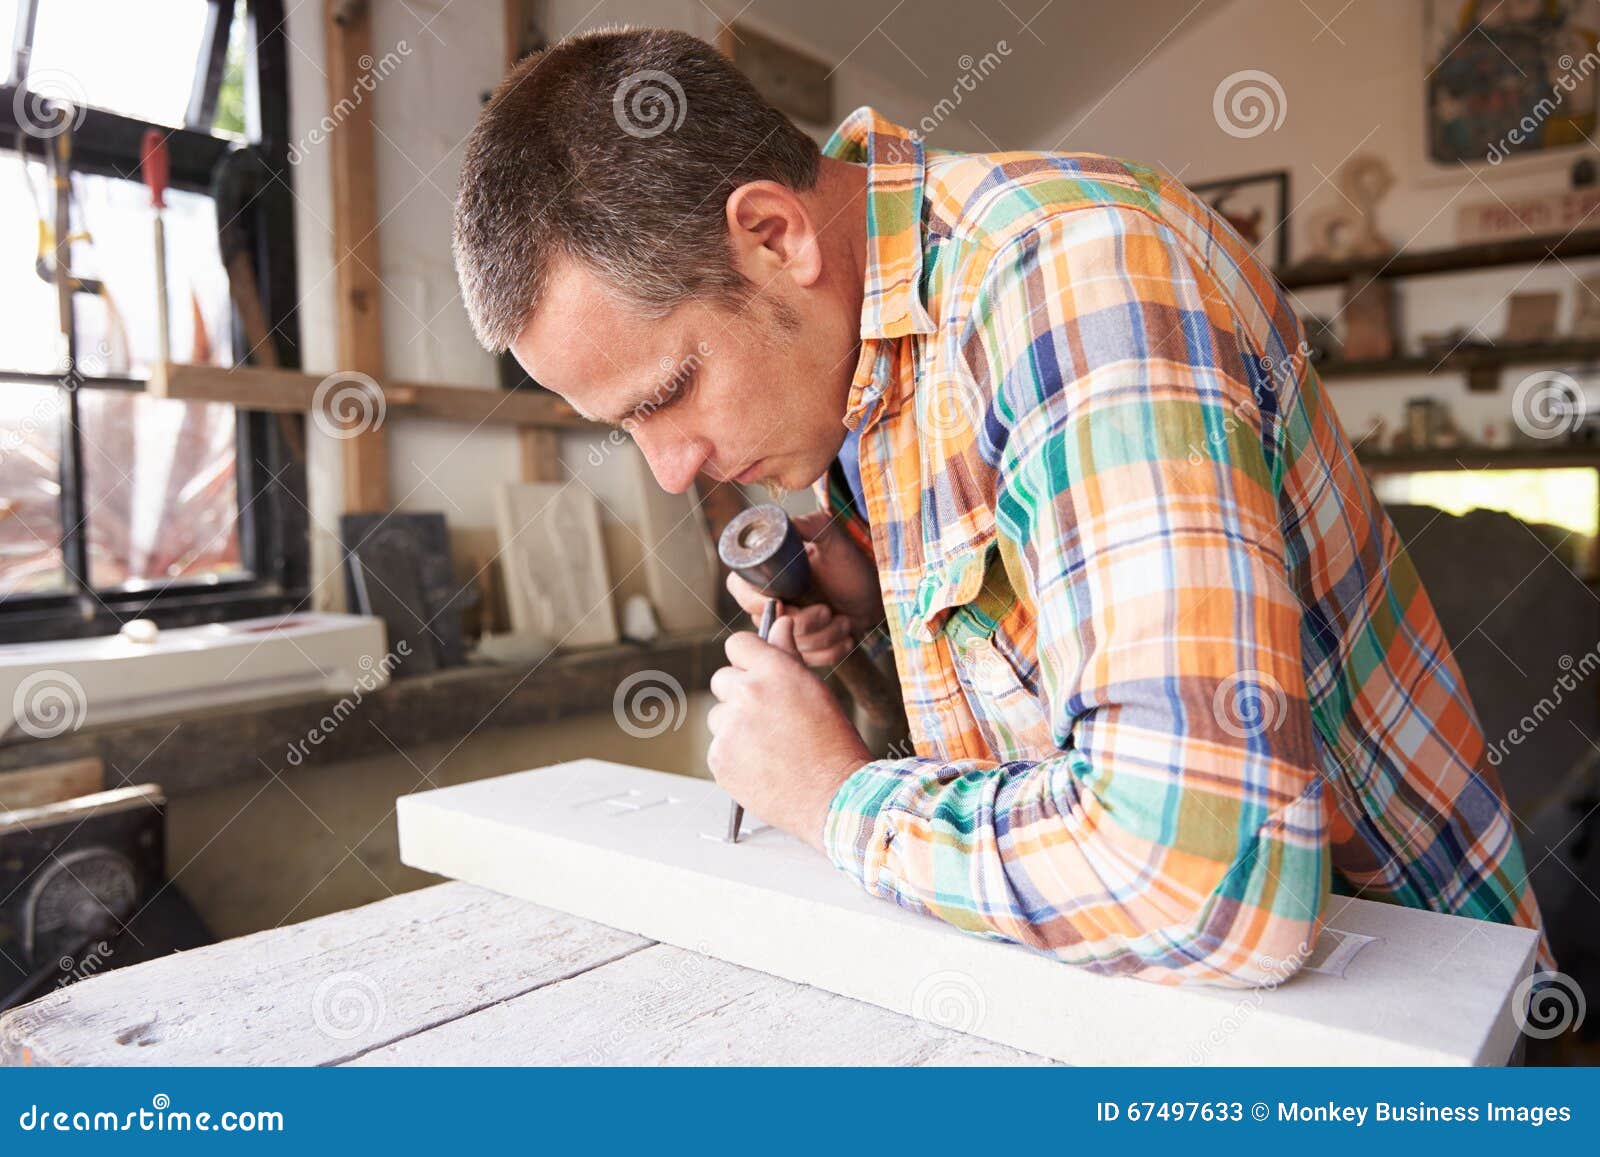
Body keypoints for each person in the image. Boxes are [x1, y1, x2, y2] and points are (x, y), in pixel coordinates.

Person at [452, 27, 1551, 985]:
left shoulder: (1079, 280)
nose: (671, 469)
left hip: (1398, 1010)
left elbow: (1203, 881)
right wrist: (870, 590)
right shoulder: (867, 355)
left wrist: (836, 795)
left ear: (774, 235)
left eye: (669, 392)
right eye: (625, 427)